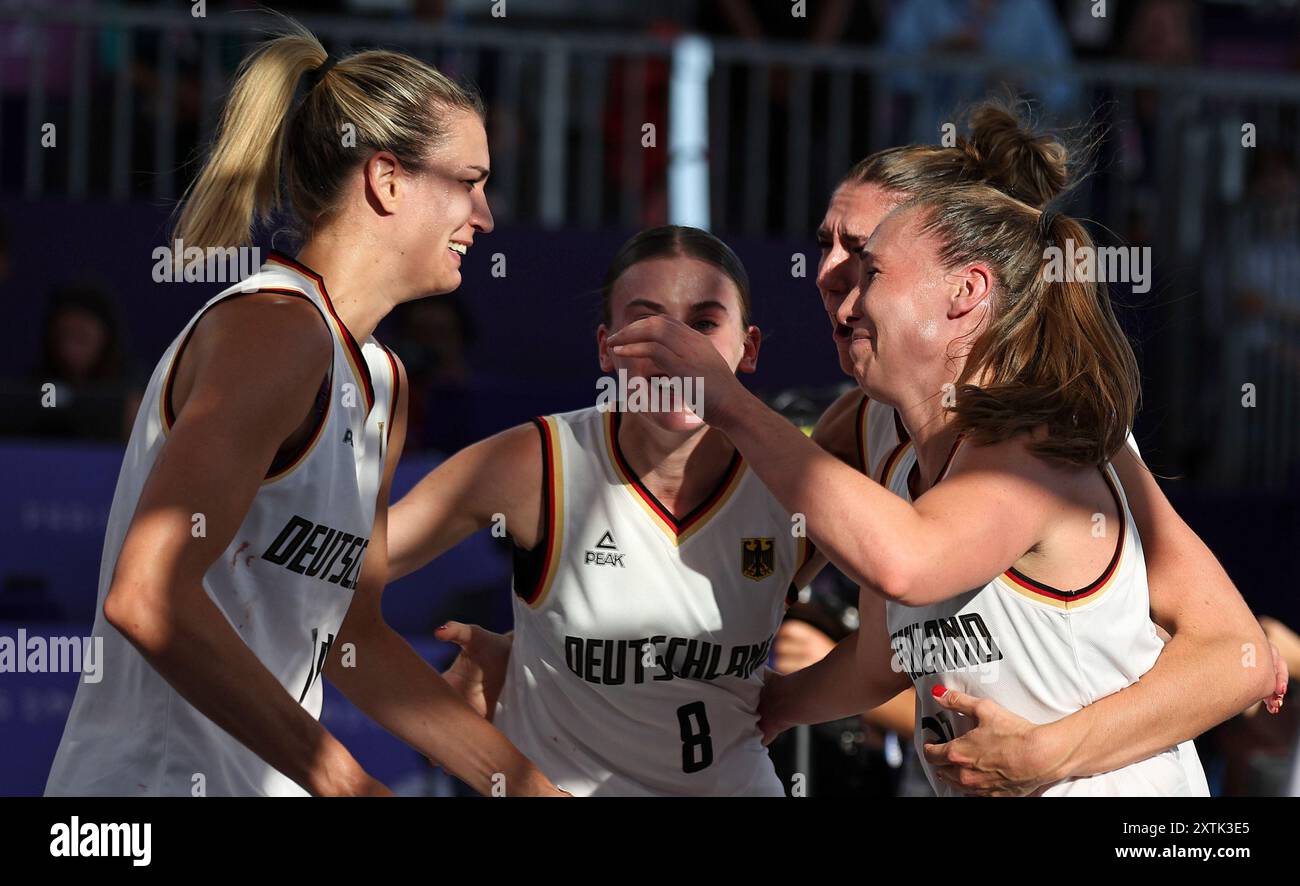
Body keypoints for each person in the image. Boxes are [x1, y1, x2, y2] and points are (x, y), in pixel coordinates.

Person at [607, 116, 1282, 795]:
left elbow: (909, 560)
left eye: (867, 258)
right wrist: (764, 707)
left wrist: (1050, 751)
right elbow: (886, 652)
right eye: (827, 247)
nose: (833, 280)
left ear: (966, 290)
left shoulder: (1038, 437)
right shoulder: (889, 440)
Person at [45, 22, 561, 797]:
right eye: (470, 181)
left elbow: (353, 642)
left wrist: (526, 787)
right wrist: (348, 785)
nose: (485, 216)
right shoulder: (276, 332)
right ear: (387, 179)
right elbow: (147, 596)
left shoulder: (384, 378)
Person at [387, 226, 823, 795]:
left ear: (750, 348)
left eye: (704, 324)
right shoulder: (536, 462)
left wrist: (792, 702)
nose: (677, 352)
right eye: (647, 323)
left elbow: (901, 627)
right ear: (605, 346)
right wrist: (469, 735)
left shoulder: (800, 478)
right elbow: (331, 577)